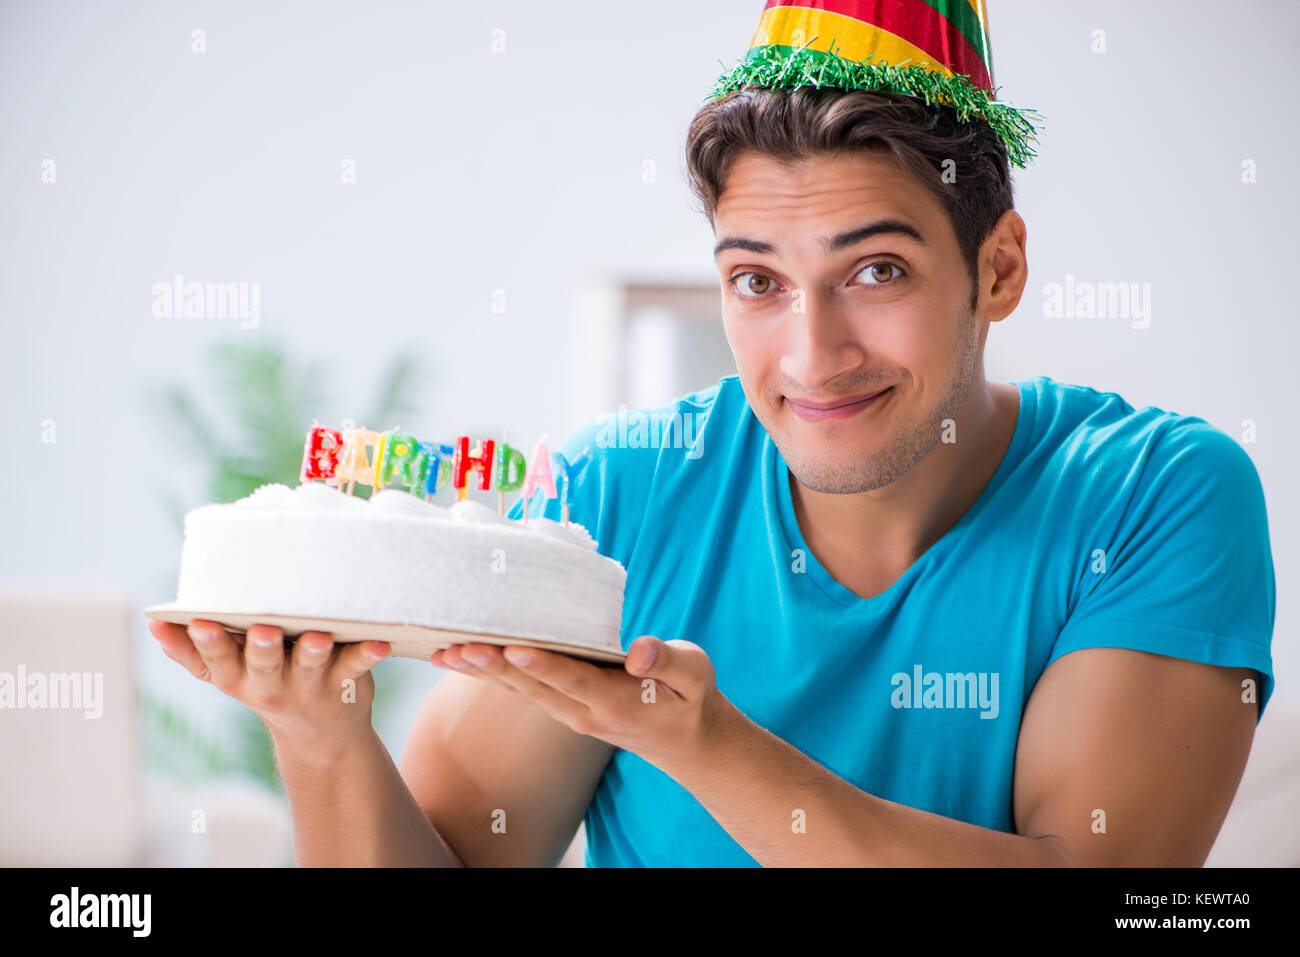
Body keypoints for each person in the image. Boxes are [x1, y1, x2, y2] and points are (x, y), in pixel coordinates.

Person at [149, 0, 1275, 866]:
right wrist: (320, 737)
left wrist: (703, 745)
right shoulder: (620, 497)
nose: (810, 352)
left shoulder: (1154, 495)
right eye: (756, 281)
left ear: (998, 269)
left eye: (874, 271)